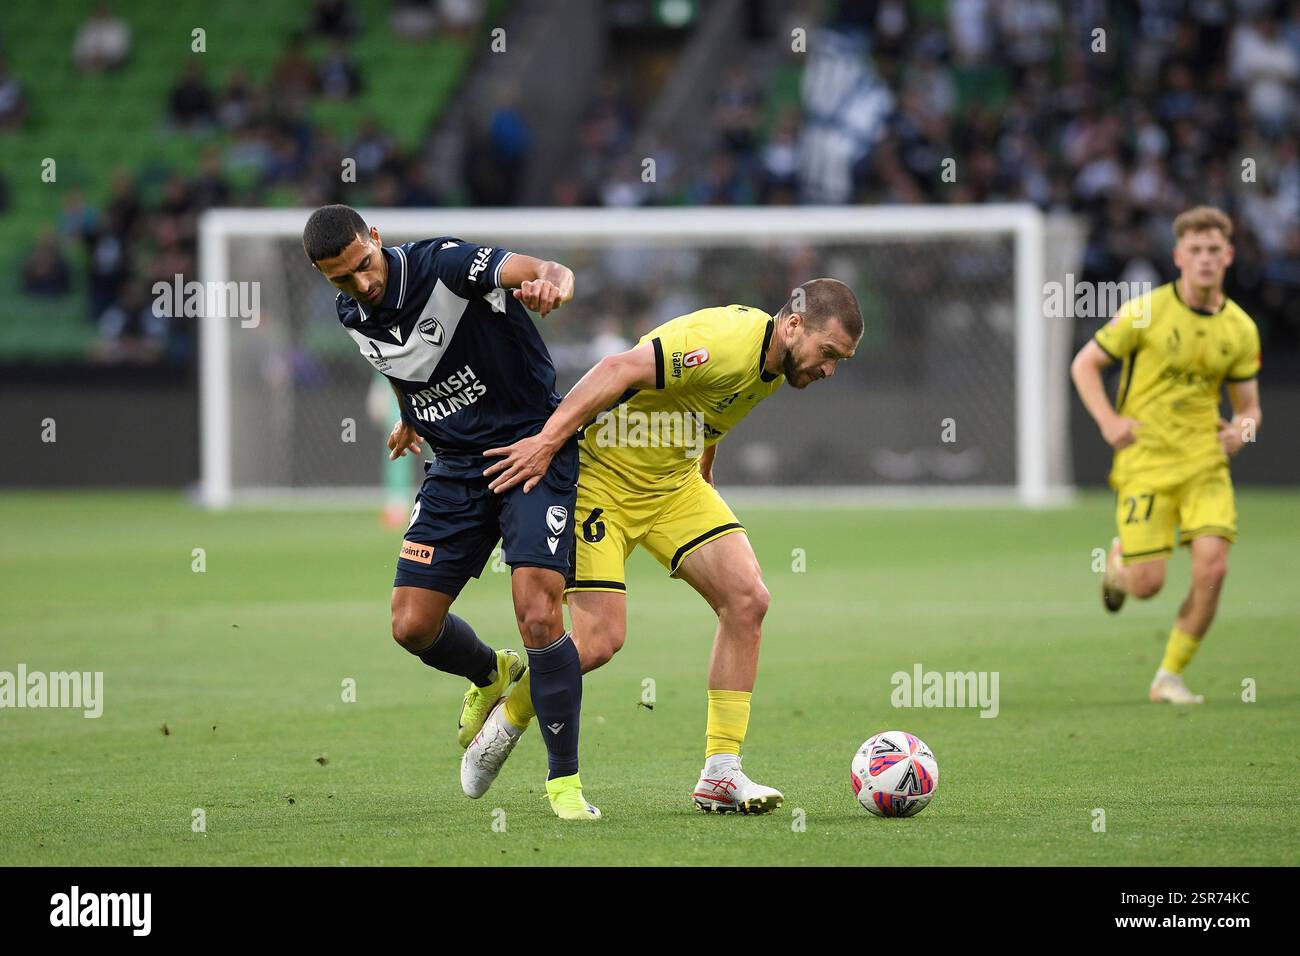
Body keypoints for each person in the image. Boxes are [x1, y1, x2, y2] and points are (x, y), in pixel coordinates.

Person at [464, 278, 863, 813]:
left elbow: (712, 406)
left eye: (840, 360)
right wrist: (547, 442)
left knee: (748, 599)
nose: (829, 369)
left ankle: (721, 774)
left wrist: (705, 464)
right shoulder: (722, 340)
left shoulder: (779, 364)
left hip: (673, 484)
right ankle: (509, 713)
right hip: (600, 482)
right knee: (600, 641)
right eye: (828, 353)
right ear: (794, 325)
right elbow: (615, 369)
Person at [301, 204, 599, 819]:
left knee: (538, 612)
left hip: (531, 448)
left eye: (363, 265)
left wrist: (549, 282)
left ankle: (564, 784)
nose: (361, 283)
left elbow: (546, 268)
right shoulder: (349, 309)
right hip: (456, 467)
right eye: (341, 279)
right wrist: (411, 413)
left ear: (375, 239)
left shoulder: (443, 265)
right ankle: (492, 674)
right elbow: (393, 360)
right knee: (410, 625)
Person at [1071, 206, 1263, 704]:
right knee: (1149, 584)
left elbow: (1249, 408)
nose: (1204, 259)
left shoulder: (1241, 329)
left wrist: (1243, 431)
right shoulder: (1145, 311)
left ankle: (1169, 676)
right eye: (1195, 250)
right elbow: (1085, 365)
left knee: (1213, 568)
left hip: (1205, 466)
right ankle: (1118, 566)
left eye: (1213, 250)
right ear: (1179, 256)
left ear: (1228, 256)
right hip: (1146, 464)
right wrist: (1109, 423)